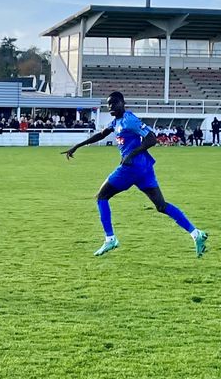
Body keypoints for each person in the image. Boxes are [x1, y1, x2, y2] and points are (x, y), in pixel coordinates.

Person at [62, 91, 208, 257]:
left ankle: (110, 239)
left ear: (123, 104)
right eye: (108, 104)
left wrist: (131, 154)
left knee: (101, 196)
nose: (110, 106)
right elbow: (101, 134)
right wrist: (77, 145)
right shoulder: (116, 122)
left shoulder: (129, 120)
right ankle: (196, 234)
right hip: (144, 169)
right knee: (161, 205)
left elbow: (152, 138)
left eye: (114, 103)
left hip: (132, 167)